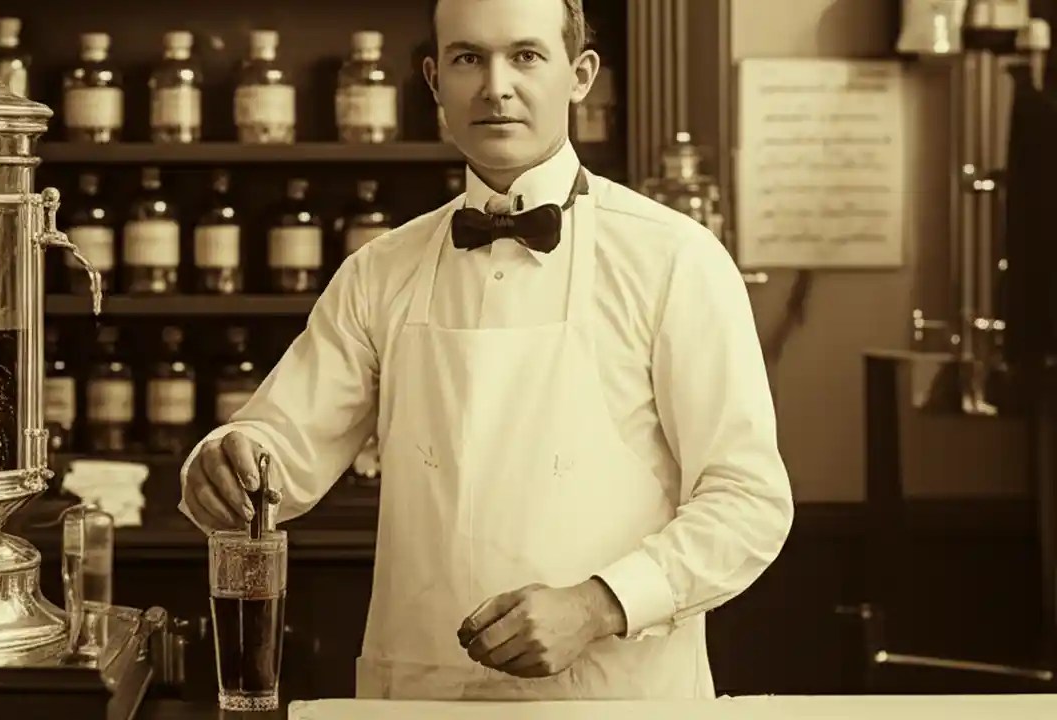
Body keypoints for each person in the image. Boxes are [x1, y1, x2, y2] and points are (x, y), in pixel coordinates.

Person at [180, 0, 794, 701]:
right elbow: (279, 448)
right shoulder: (381, 268)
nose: (496, 85)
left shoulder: (676, 258)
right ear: (435, 81)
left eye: (526, 56)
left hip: (612, 700)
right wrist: (226, 463)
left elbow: (749, 502)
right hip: (417, 693)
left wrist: (600, 603)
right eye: (469, 58)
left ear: (581, 74)